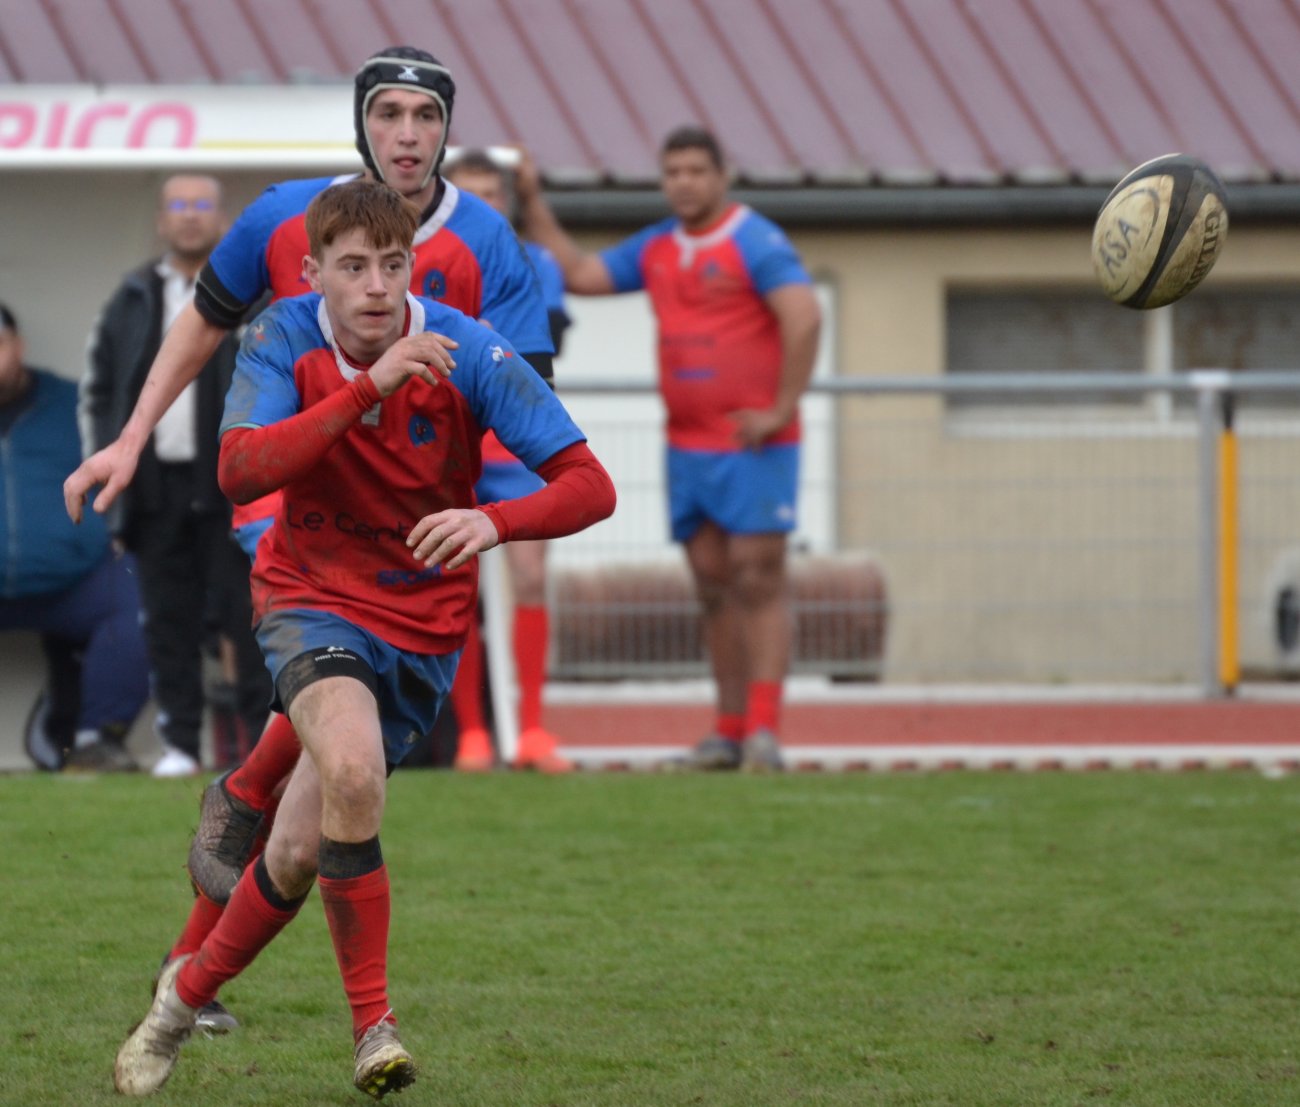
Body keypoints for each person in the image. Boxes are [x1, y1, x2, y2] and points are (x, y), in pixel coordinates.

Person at [66, 46, 559, 993]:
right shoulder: (284, 214)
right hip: (292, 515)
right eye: (388, 115)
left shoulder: (488, 241)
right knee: (322, 745)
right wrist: (131, 437)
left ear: (448, 127)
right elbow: (203, 323)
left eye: (424, 116)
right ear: (360, 122)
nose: (406, 136)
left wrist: (490, 517)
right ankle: (219, 973)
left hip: (407, 545)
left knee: (299, 796)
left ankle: (200, 939)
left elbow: (522, 395)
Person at [113, 178, 615, 1099]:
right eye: (352, 268)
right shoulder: (283, 336)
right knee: (351, 771)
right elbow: (240, 469)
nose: (376, 286)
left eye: (391, 265)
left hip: (422, 625)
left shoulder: (468, 349)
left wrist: (492, 524)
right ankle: (372, 1028)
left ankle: (178, 1002)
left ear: (412, 266)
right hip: (311, 595)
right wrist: (363, 393)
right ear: (312, 275)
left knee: (299, 849)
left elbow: (591, 483)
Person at [516, 126, 822, 772]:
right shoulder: (658, 246)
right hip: (687, 446)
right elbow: (580, 274)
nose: (684, 182)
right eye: (673, 171)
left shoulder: (754, 240)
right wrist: (532, 201)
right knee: (711, 584)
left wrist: (782, 408)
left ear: (720, 176)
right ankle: (728, 729)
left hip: (753, 443)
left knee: (758, 577)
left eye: (695, 170)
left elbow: (805, 316)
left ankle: (765, 732)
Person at [82, 174, 271, 778]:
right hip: (156, 487)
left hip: (233, 485)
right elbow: (102, 393)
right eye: (178, 206)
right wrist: (112, 492)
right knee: (168, 619)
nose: (190, 217)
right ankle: (181, 746)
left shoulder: (251, 294)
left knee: (250, 618)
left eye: (203, 205)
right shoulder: (134, 295)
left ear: (222, 220)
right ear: (161, 220)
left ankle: (261, 752)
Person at [443, 148, 573, 772]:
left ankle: (533, 730)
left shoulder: (534, 261)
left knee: (528, 577)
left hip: (516, 445)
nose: (480, 206)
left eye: (491, 194)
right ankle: (473, 735)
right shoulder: (424, 258)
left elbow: (551, 340)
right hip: (449, 445)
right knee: (458, 583)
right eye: (467, 194)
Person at [0, 303, 149, 772]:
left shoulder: (77, 404)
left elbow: (131, 470)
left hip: (74, 582)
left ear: (17, 347)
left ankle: (94, 743)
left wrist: (126, 527)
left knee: (143, 599)